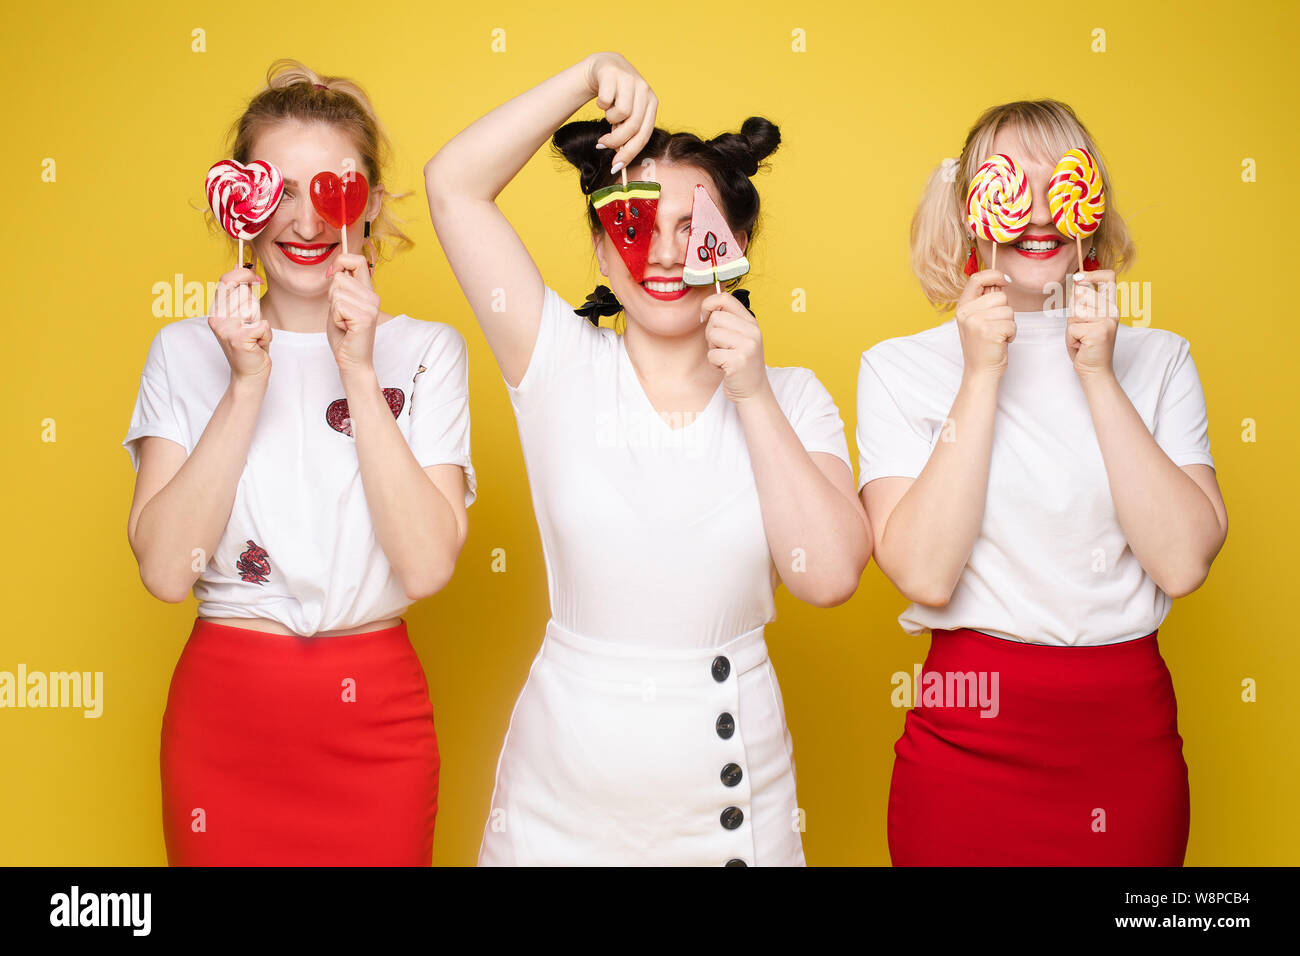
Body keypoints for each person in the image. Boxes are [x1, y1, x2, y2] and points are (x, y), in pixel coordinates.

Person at [425, 51, 870, 865]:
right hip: (559, 806)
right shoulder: (555, 362)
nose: (664, 255)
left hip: (736, 801)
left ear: (736, 247)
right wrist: (585, 78)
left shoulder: (795, 397)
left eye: (692, 230)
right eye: (635, 227)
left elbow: (830, 576)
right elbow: (453, 185)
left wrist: (754, 396)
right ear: (600, 253)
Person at [122, 59, 476, 865]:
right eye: (276, 190)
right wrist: (246, 383)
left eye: (330, 190)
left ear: (370, 206)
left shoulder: (425, 354)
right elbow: (168, 573)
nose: (305, 221)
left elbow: (425, 565)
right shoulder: (183, 353)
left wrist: (357, 365)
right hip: (227, 720)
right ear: (236, 203)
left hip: (376, 723)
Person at [858, 99, 1228, 865]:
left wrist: (1098, 375)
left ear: (1089, 200)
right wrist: (981, 375)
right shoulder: (898, 368)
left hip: (1125, 740)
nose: (1037, 213)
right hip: (967, 736)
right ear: (969, 208)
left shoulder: (1160, 360)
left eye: (1058, 180)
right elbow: (925, 572)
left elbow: (1184, 562)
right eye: (1009, 184)